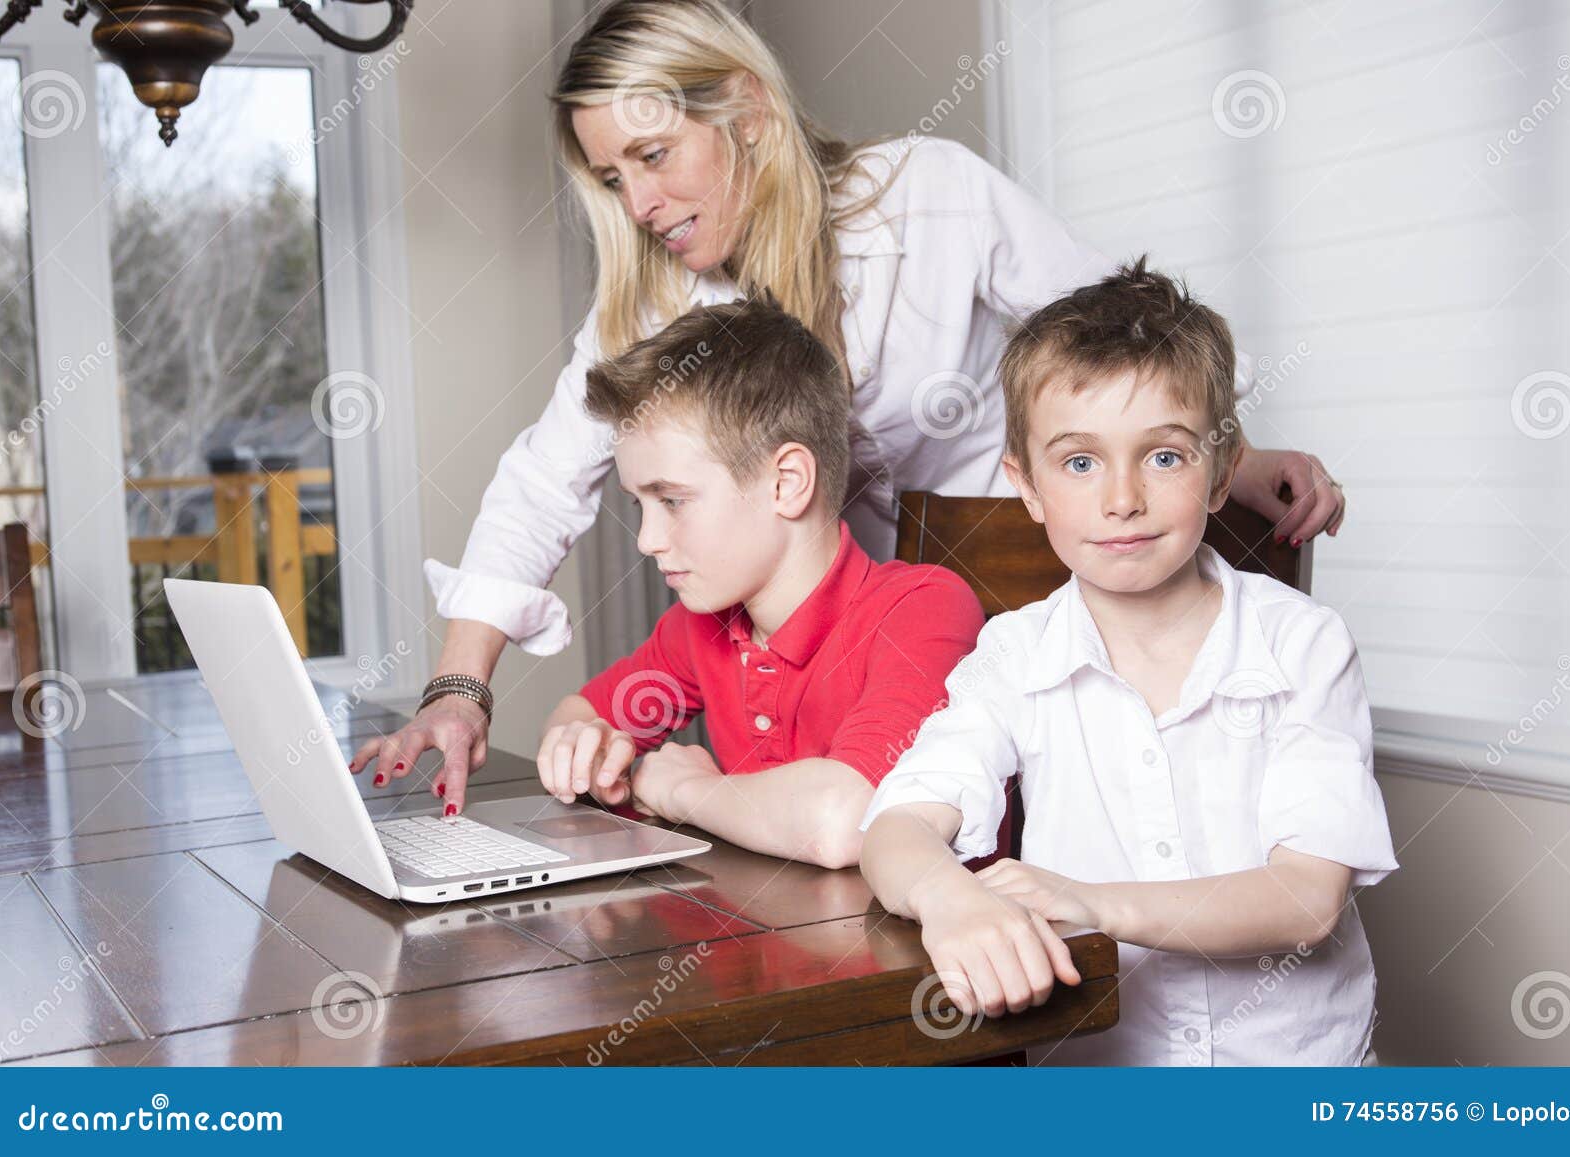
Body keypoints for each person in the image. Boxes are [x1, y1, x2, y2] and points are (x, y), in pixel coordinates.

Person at [350, 0, 1347, 812]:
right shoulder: (651, 308)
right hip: (846, 645)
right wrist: (458, 688)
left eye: (653, 157)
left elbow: (1119, 341)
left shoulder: (927, 190)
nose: (638, 205)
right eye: (613, 178)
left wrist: (1235, 456)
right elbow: (542, 481)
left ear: (746, 110)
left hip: (1023, 585)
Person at [858, 258, 1398, 1065]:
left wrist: (1089, 902)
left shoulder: (1303, 643)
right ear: (1027, 486)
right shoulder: (1014, 653)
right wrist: (949, 899)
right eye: (1079, 462)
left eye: (1164, 456)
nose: (1121, 499)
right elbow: (897, 824)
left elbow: (1305, 897)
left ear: (1221, 471)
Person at [531, 296, 981, 866]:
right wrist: (582, 745)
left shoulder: (923, 609)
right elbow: (578, 712)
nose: (646, 540)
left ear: (786, 483)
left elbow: (843, 824)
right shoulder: (702, 627)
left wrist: (684, 789)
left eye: (672, 500)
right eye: (640, 504)